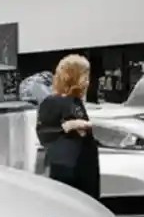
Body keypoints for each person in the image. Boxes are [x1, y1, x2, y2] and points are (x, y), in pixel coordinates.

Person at [36, 54, 100, 200]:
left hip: (80, 167)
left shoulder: (75, 102)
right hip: (67, 170)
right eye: (84, 76)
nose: (87, 81)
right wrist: (68, 127)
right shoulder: (53, 102)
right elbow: (45, 132)